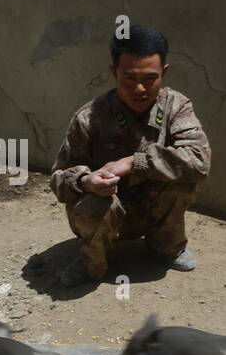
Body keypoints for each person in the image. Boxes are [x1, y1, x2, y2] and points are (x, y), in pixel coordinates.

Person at [49, 25, 211, 286]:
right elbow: (57, 178)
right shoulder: (89, 118)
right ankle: (93, 261)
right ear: (114, 72)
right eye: (129, 78)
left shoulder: (176, 106)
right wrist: (85, 181)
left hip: (152, 208)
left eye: (150, 78)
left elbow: (199, 161)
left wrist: (134, 162)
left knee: (180, 178)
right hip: (108, 211)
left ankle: (167, 248)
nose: (139, 89)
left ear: (164, 72)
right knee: (94, 202)